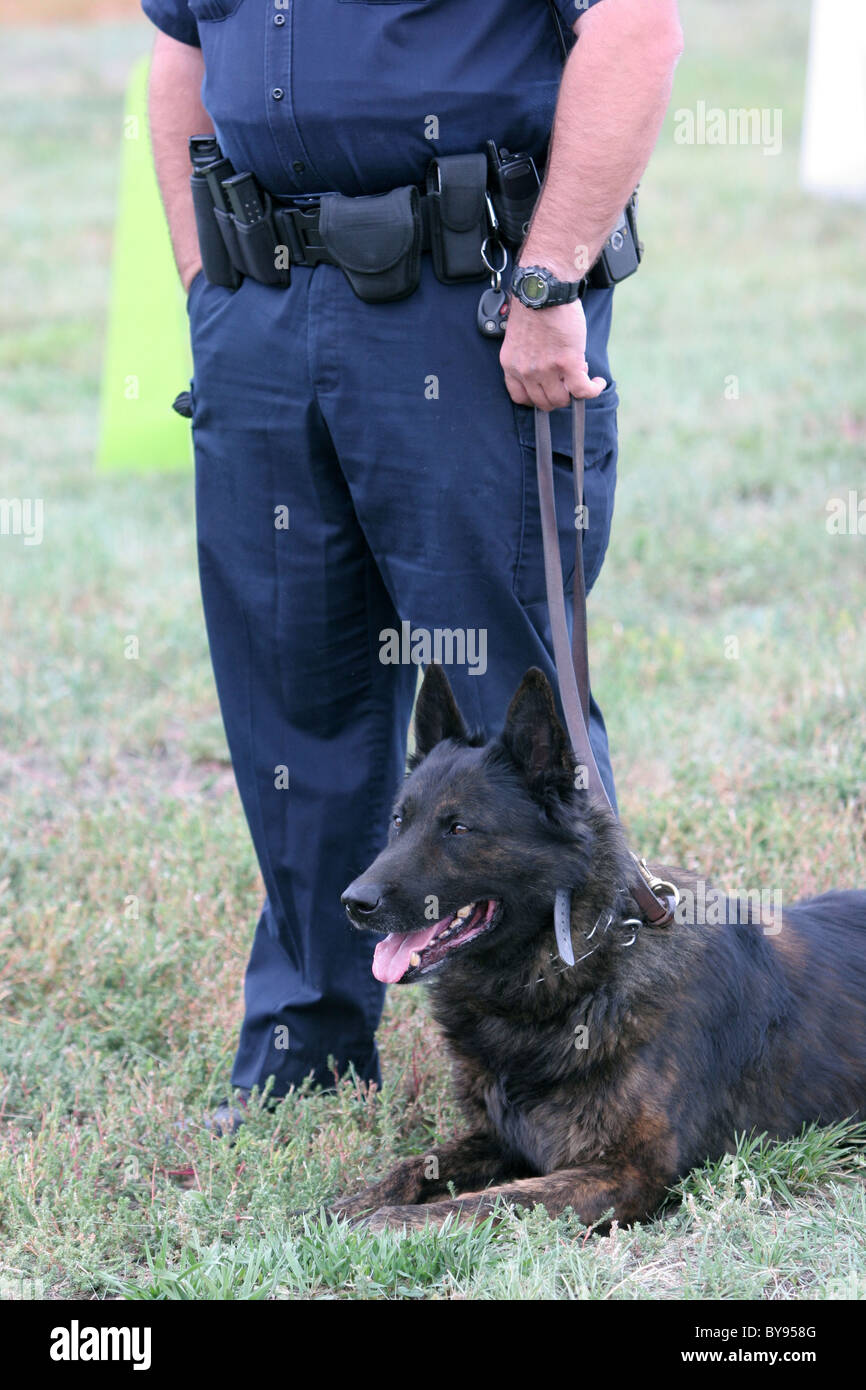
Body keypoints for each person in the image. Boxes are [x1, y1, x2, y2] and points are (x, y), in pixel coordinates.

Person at [143, 0, 683, 1126]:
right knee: (291, 706)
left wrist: (545, 283)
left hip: (467, 306)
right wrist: (206, 288)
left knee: (510, 711)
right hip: (261, 310)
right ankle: (303, 1057)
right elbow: (181, 52)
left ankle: (594, 1077)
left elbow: (633, 29)